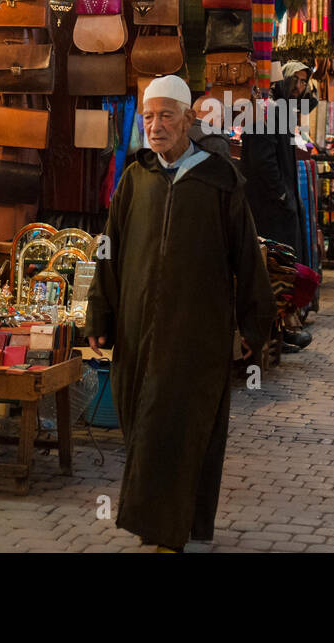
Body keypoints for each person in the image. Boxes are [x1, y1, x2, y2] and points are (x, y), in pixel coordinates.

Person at [87, 75, 274, 552]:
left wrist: (254, 325)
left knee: (181, 428)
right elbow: (109, 252)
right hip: (136, 330)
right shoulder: (135, 179)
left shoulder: (220, 180)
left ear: (190, 119)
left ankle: (166, 532)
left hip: (196, 334)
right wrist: (99, 317)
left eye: (166, 115)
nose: (156, 125)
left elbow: (247, 258)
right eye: (149, 117)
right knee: (144, 427)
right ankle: (163, 525)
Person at [240, 60, 317, 265]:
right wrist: (282, 194)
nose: (299, 87)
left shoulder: (282, 109)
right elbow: (262, 160)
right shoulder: (269, 108)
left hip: (277, 204)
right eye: (295, 80)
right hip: (270, 208)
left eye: (303, 82)